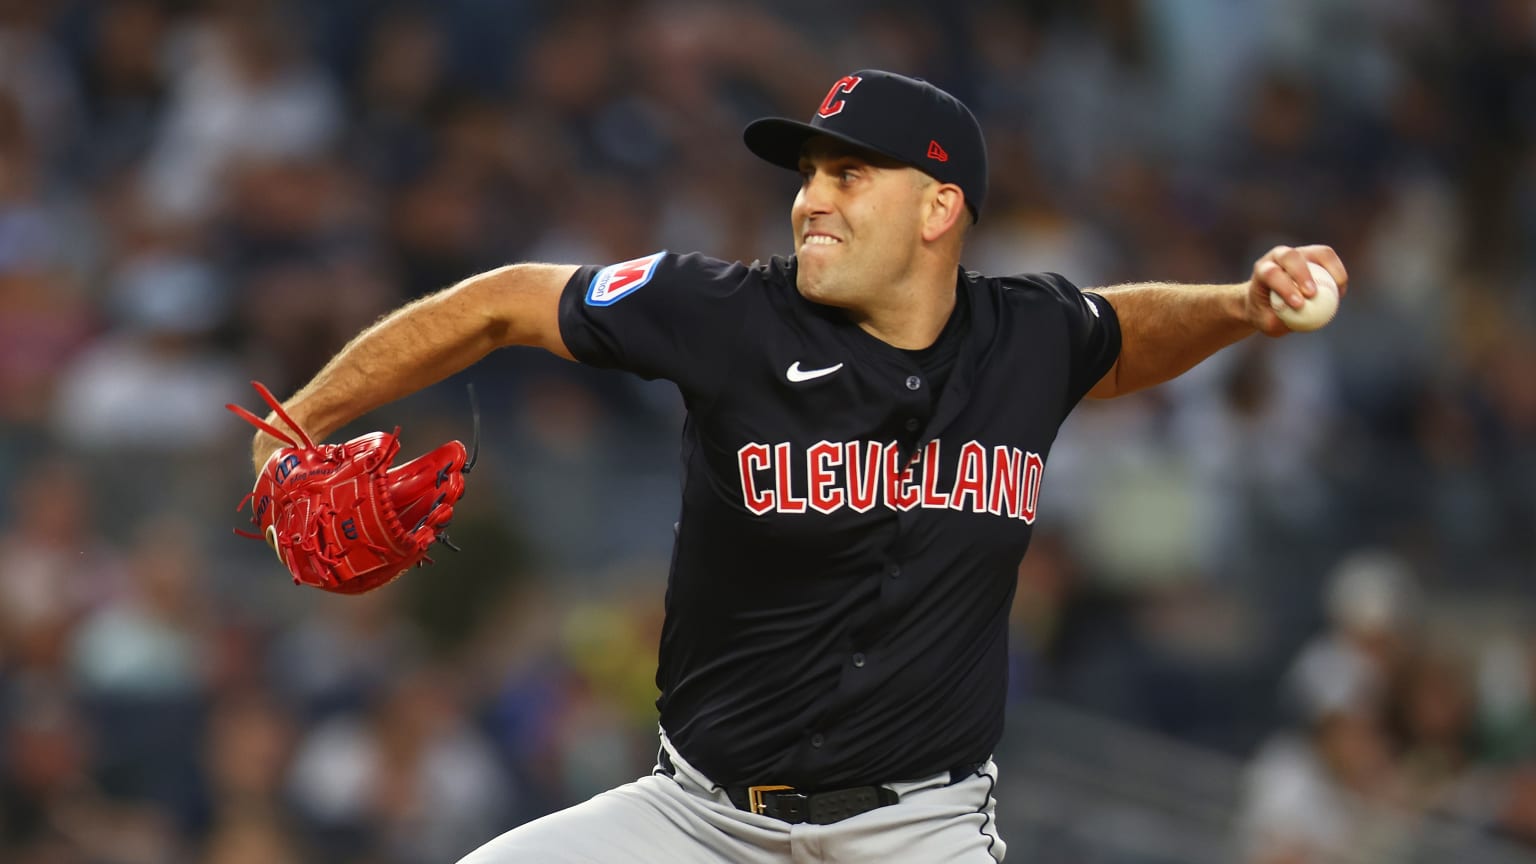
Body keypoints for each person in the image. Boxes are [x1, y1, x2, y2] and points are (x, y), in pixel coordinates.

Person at [248, 70, 1347, 863]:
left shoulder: (1028, 337)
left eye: (849, 174)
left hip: (917, 830)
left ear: (940, 206)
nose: (812, 197)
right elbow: (503, 304)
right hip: (698, 820)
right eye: (810, 173)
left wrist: (1240, 307)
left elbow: (1124, 334)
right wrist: (301, 417)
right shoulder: (722, 312)